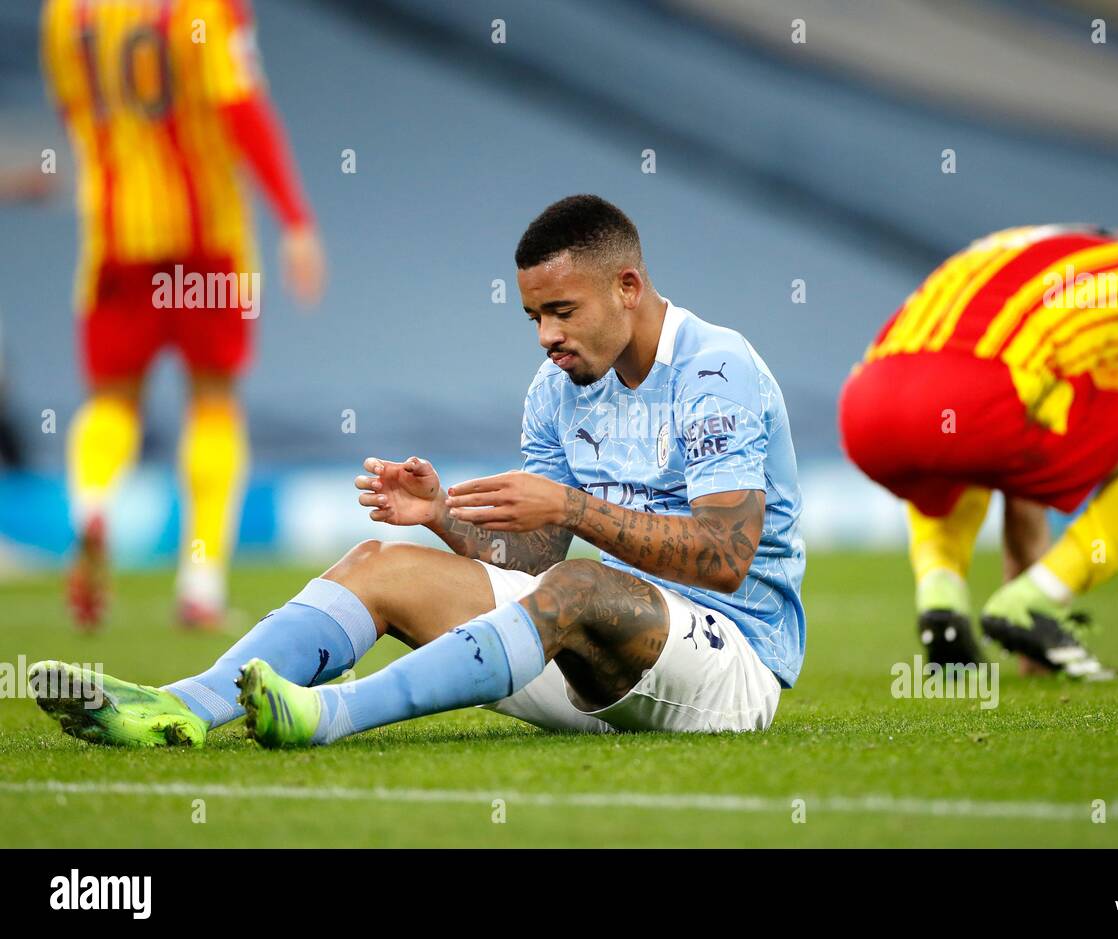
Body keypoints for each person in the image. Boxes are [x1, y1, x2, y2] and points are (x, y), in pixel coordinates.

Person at [30, 195, 806, 747]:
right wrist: (443, 517)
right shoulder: (559, 387)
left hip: (731, 666)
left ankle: (329, 715)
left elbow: (726, 558)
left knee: (580, 589)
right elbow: (537, 561)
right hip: (597, 658)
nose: (544, 335)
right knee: (381, 566)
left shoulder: (715, 370)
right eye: (533, 316)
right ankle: (181, 707)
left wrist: (572, 506)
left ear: (627, 287)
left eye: (561, 311)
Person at [839, 224, 1118, 677]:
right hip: (986, 397)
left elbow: (1016, 458)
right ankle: (1041, 599)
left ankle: (942, 598)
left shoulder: (999, 247)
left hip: (866, 406)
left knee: (974, 441)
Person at [41, 0, 324, 630]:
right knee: (213, 401)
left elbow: (74, 115)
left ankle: (91, 507)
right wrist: (295, 217)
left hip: (115, 241)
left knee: (111, 401)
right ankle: (200, 584)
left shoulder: (66, 12)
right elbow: (240, 104)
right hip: (206, 241)